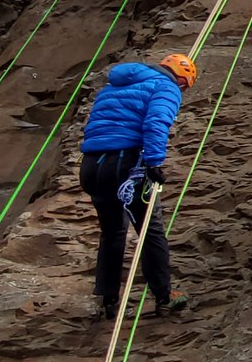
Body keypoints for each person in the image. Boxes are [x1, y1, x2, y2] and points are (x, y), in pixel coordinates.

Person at [78, 53, 196, 317]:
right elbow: (156, 122)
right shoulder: (166, 86)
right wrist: (153, 163)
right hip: (125, 164)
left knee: (112, 231)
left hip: (91, 166)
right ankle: (164, 296)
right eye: (185, 87)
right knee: (150, 230)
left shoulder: (112, 87)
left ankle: (108, 300)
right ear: (182, 79)